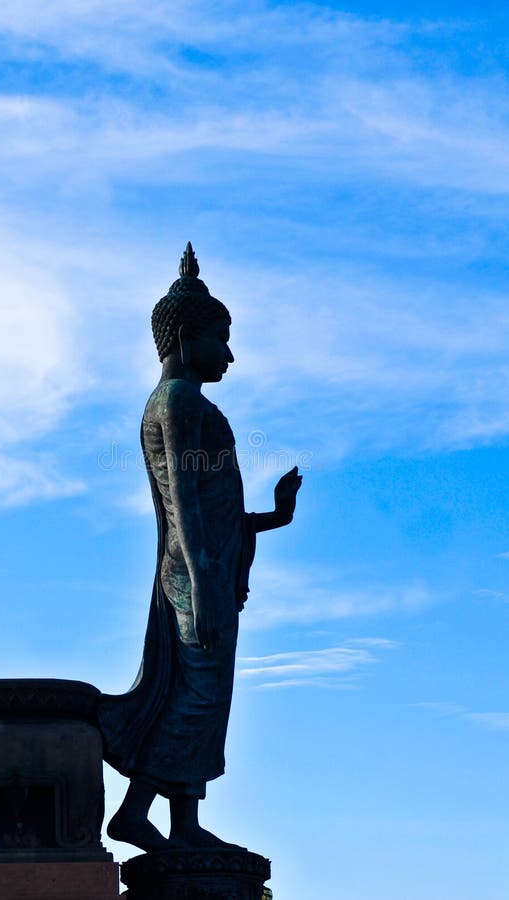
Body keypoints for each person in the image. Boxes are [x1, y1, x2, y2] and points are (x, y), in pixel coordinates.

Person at [98, 244, 302, 851]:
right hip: (196, 574)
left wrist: (274, 517)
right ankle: (139, 815)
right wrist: (205, 580)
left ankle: (181, 822)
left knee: (203, 697)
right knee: (196, 695)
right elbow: (183, 502)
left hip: (203, 567)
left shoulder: (183, 402)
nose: (229, 355)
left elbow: (214, 511)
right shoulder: (178, 401)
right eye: (221, 338)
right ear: (186, 338)